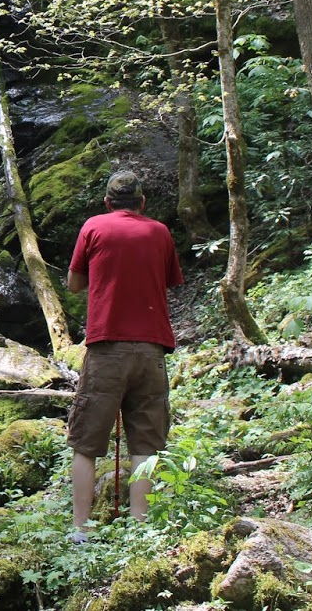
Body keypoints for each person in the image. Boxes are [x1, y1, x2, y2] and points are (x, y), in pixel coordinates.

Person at [65, 169, 183, 540]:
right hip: (151, 349)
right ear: (143, 202)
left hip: (107, 348)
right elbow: (167, 280)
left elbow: (73, 284)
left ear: (107, 202)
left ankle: (81, 529)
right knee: (146, 443)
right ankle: (141, 527)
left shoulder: (94, 227)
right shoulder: (160, 232)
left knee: (85, 444)